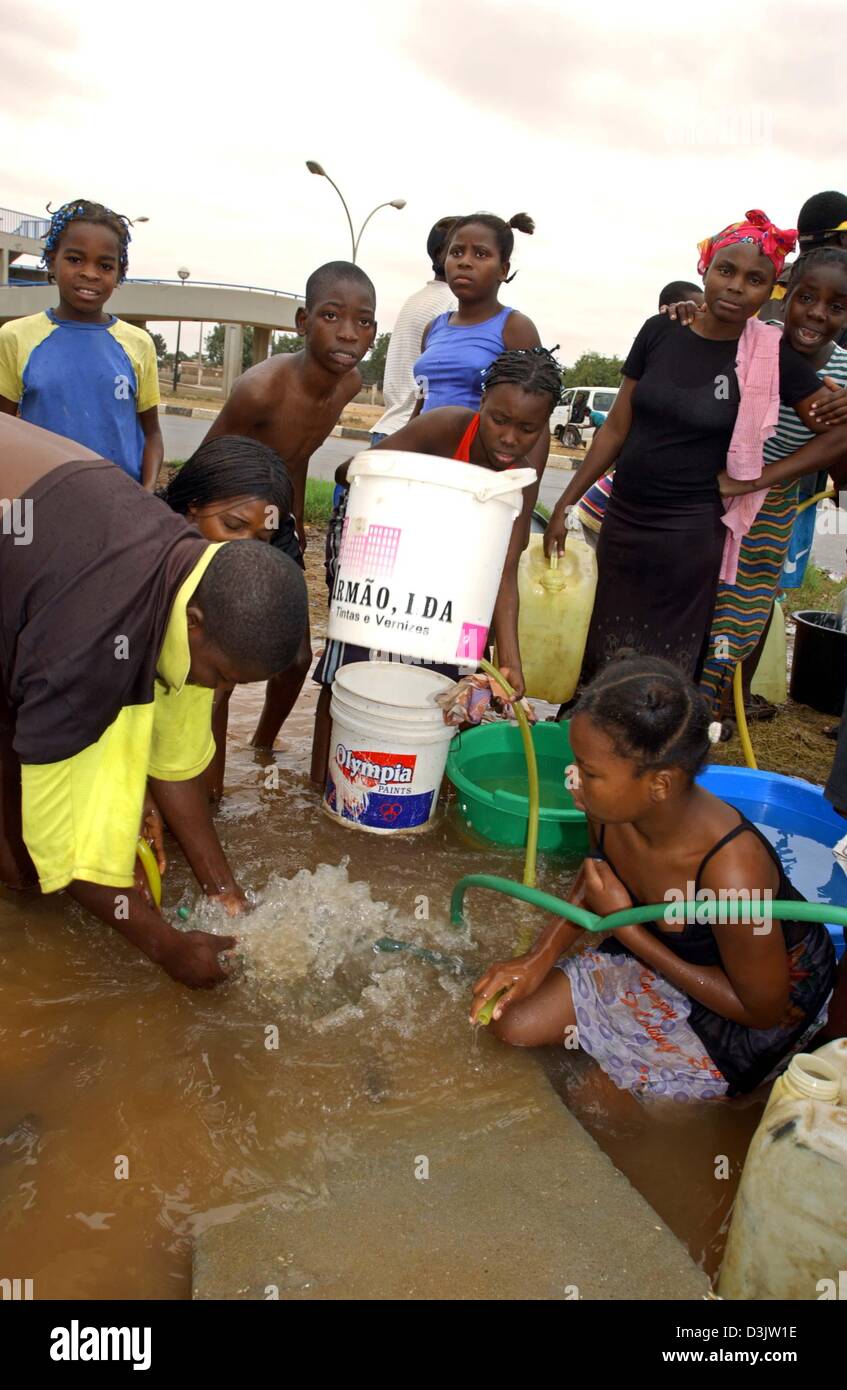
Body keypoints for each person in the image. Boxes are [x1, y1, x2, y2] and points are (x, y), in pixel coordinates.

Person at [0, 415, 307, 989]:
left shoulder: (192, 573)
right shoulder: (88, 641)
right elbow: (64, 842)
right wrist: (166, 947)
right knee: (22, 868)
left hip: (34, 535)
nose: (218, 692)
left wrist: (226, 894)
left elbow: (173, 759)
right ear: (195, 626)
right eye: (219, 677)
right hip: (36, 566)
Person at [471, 654, 836, 1100]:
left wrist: (628, 931)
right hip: (659, 948)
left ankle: (753, 1092)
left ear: (659, 784)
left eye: (589, 772)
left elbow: (760, 1010)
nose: (574, 781)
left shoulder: (734, 872)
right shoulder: (610, 807)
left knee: (597, 1101)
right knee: (510, 1024)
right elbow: (595, 880)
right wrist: (537, 959)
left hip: (745, 1006)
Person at [546, 210, 847, 684]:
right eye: (726, 270)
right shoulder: (660, 330)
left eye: (754, 279)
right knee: (599, 650)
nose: (735, 286)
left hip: (689, 533)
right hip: (624, 520)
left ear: (769, 291)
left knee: (661, 669)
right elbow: (616, 426)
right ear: (705, 268)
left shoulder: (769, 355)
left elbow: (838, 433)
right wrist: (566, 501)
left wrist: (758, 478)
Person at [309, 347, 562, 783]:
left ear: (544, 428)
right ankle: (321, 782)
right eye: (499, 419)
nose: (509, 438)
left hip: (451, 567)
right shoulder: (446, 427)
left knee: (455, 681)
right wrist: (432, 487)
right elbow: (350, 471)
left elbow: (504, 569)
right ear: (482, 403)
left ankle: (422, 784)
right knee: (352, 671)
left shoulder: (517, 478)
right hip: (380, 547)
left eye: (527, 429)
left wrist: (511, 662)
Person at [204, 261, 377, 751]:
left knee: (298, 658)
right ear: (303, 322)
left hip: (279, 522)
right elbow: (205, 468)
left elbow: (299, 451)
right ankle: (206, 774)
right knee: (222, 663)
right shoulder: (261, 390)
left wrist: (295, 514)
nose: (348, 333)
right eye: (331, 316)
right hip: (230, 529)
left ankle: (261, 747)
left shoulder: (349, 384)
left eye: (362, 322)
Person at [697, 247, 847, 717]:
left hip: (773, 503)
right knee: (693, 600)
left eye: (837, 307)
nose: (817, 314)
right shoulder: (752, 339)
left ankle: (711, 704)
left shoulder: (844, 373)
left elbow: (841, 479)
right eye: (807, 298)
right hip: (709, 486)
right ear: (786, 296)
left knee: (739, 614)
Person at [159, 436, 295, 801]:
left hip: (201, 675)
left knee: (207, 798)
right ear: (191, 508)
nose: (245, 548)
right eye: (232, 526)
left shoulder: (249, 575)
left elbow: (215, 692)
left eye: (261, 537)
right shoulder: (148, 560)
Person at [0, 198, 163, 489]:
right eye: (75, 259)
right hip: (46, 502)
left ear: (119, 272)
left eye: (104, 265)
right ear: (52, 259)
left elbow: (152, 436)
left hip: (120, 507)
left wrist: (146, 494)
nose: (90, 273)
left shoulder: (138, 344)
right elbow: (4, 432)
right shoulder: (16, 337)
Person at [573, 281, 706, 545]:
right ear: (666, 311)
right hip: (612, 508)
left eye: (703, 308)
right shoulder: (654, 352)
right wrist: (567, 503)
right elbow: (614, 431)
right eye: (694, 307)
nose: (699, 314)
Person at [412, 212, 541, 415]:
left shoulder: (514, 328)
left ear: (503, 270)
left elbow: (535, 415)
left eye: (480, 254)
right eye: (456, 252)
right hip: (422, 447)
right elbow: (423, 400)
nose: (464, 262)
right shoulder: (433, 328)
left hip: (474, 447)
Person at [369, 217, 458, 446]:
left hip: (390, 429)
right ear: (441, 255)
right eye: (460, 249)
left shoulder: (416, 299)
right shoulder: (453, 306)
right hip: (413, 435)